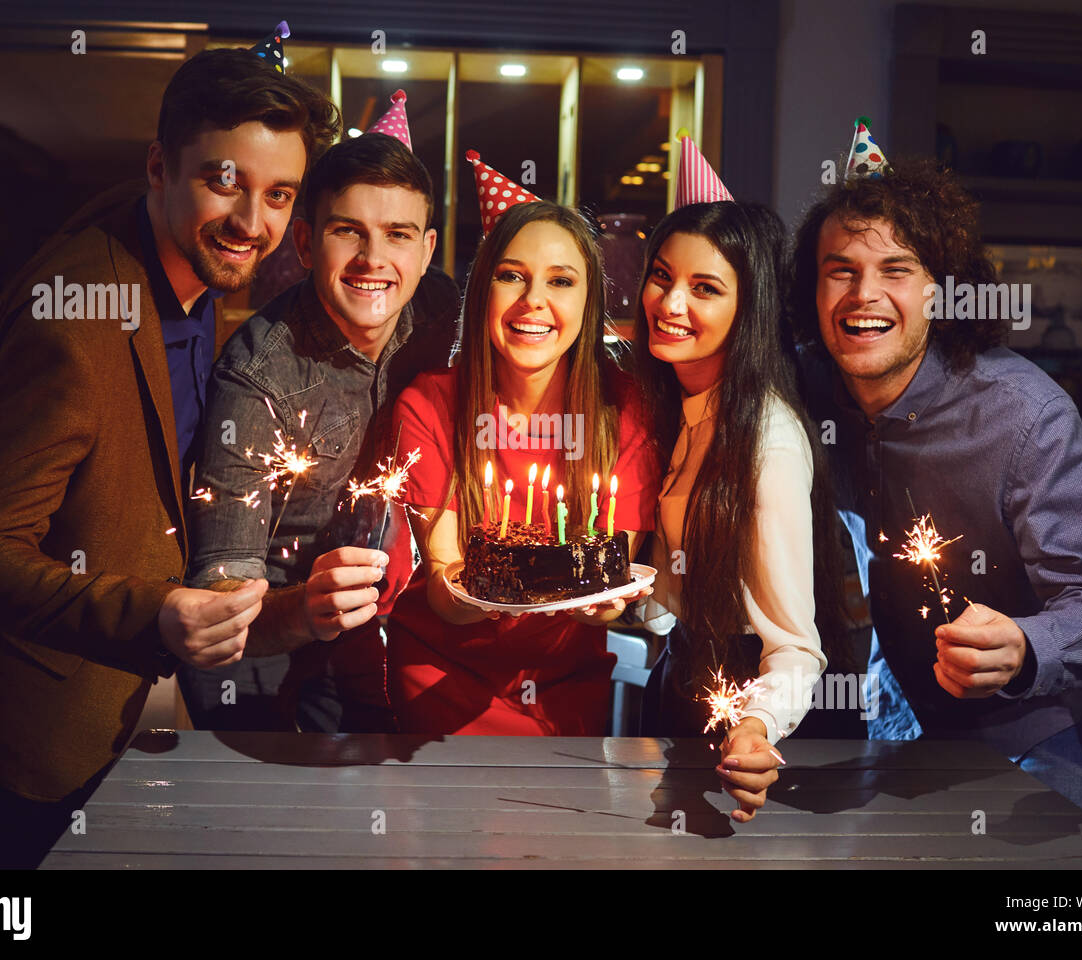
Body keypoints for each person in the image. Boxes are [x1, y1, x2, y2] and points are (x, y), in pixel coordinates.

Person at [0, 37, 340, 867]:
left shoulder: (197, 272)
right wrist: (157, 614)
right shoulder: (75, 314)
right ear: (158, 167)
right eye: (224, 181)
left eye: (278, 193)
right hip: (45, 725)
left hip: (142, 703)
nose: (254, 223)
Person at [791, 131, 1082, 828]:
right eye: (841, 270)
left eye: (896, 269)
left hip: (1043, 728)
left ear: (941, 290)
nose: (865, 295)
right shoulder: (805, 385)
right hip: (900, 711)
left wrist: (1024, 644)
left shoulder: (1025, 415)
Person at [177, 110, 460, 733]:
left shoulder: (446, 314)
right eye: (348, 231)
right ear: (305, 242)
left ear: (427, 248)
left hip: (422, 653)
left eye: (399, 234)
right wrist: (305, 611)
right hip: (278, 680)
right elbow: (223, 595)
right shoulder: (258, 376)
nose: (374, 259)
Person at [384, 153, 661, 735]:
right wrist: (475, 593)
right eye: (512, 276)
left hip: (564, 688)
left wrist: (605, 602)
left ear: (589, 302)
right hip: (442, 679)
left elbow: (607, 580)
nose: (534, 300)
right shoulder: (430, 403)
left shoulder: (625, 409)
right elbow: (443, 583)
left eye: (561, 281)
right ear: (483, 290)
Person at [631, 136, 846, 822]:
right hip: (672, 697)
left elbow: (795, 646)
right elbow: (672, 593)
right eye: (662, 276)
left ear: (747, 309)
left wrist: (753, 730)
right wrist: (621, 598)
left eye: (705, 289)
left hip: (742, 730)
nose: (670, 303)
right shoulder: (668, 406)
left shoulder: (767, 442)